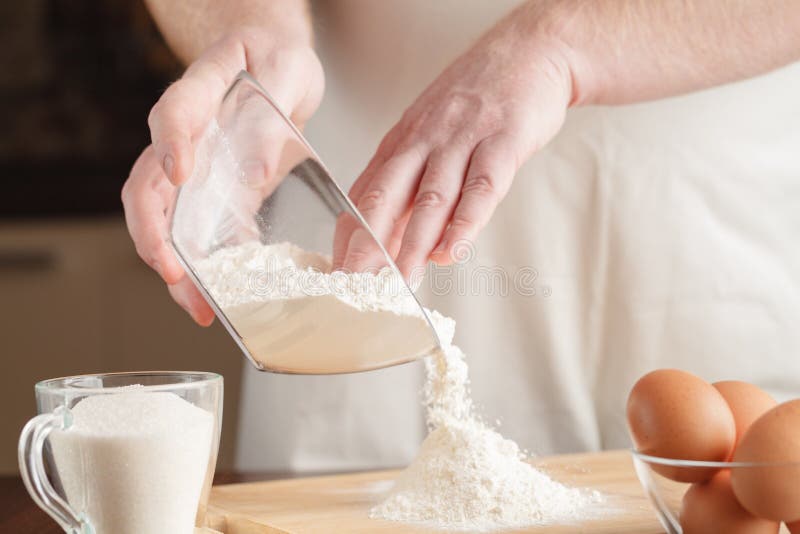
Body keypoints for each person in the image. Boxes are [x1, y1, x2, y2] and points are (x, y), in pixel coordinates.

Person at [122, 1, 800, 472]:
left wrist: (561, 39)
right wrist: (250, 27)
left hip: (694, 235)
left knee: (706, 479)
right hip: (356, 244)